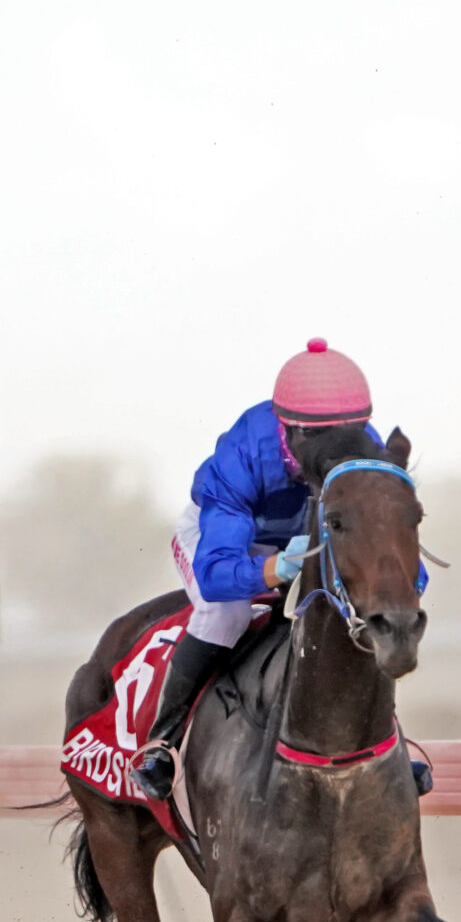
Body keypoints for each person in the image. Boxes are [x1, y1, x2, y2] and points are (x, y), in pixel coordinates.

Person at [128, 339, 385, 798]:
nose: (338, 452)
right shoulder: (243, 454)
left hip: (307, 533)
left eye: (349, 434)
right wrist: (277, 568)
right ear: (291, 432)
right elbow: (217, 573)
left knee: (355, 612)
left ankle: (387, 745)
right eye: (325, 439)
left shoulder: (366, 450)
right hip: (221, 538)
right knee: (225, 612)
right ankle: (161, 744)